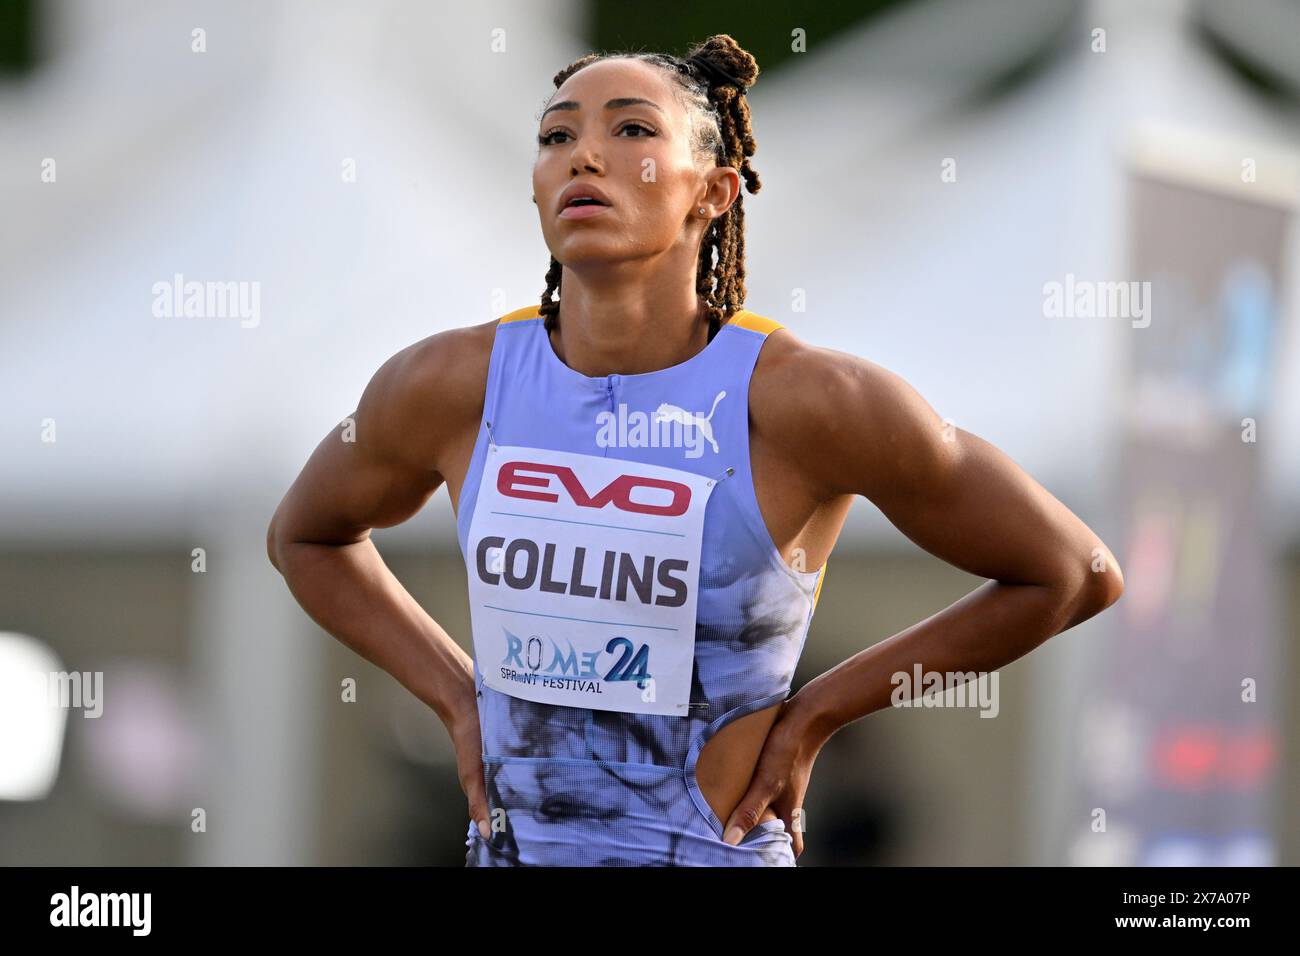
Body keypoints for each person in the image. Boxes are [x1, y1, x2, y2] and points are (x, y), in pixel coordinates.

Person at [266, 34, 1125, 866]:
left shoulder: (806, 401)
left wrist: (819, 713)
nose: (584, 156)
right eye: (557, 135)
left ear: (713, 191)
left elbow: (1072, 572)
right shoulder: (449, 383)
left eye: (631, 129)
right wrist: (456, 696)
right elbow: (305, 536)